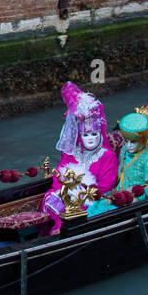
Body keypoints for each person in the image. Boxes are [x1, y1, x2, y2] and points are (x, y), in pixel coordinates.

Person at [40, 82, 118, 233]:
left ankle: (60, 231)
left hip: (92, 200)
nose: (90, 139)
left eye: (94, 134)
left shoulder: (106, 156)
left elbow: (105, 187)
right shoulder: (72, 153)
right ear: (79, 135)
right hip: (68, 197)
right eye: (86, 135)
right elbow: (58, 178)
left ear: (100, 134)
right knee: (51, 197)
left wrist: (80, 196)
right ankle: (56, 229)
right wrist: (65, 194)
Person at [86, 112, 148, 217]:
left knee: (103, 215)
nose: (128, 146)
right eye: (126, 141)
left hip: (138, 202)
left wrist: (129, 197)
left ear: (143, 139)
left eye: (133, 142)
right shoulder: (124, 150)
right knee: (94, 207)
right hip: (118, 195)